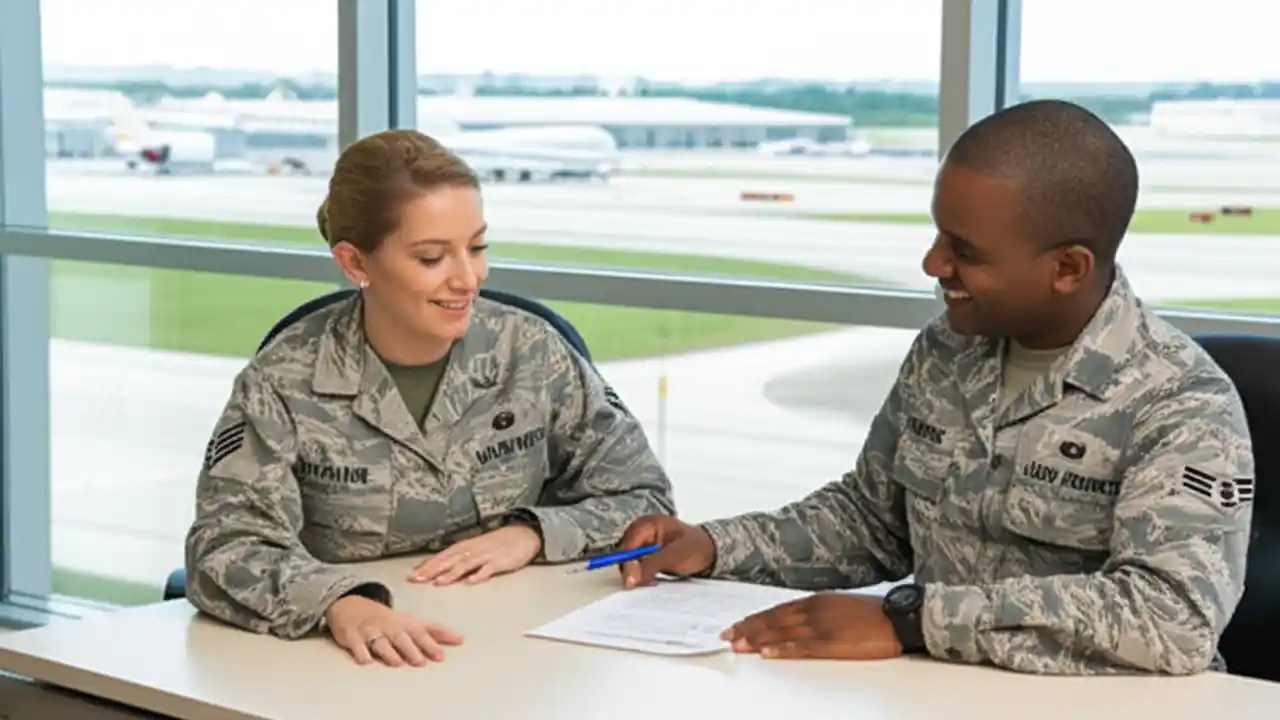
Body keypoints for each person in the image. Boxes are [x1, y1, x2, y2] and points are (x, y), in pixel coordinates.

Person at [618, 99, 1254, 676]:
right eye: (938, 234)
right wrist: (715, 546)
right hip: (938, 693)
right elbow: (870, 521)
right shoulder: (948, 351)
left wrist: (911, 620)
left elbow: (1171, 617)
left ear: (1068, 268)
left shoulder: (1180, 401)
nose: (933, 265)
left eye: (966, 251)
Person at [184, 129, 675, 667]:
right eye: (431, 258)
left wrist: (533, 535)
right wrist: (337, 603)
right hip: (350, 662)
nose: (468, 279)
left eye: (478, 247)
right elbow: (225, 545)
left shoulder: (532, 353)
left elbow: (646, 503)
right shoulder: (282, 380)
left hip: (515, 654)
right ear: (355, 264)